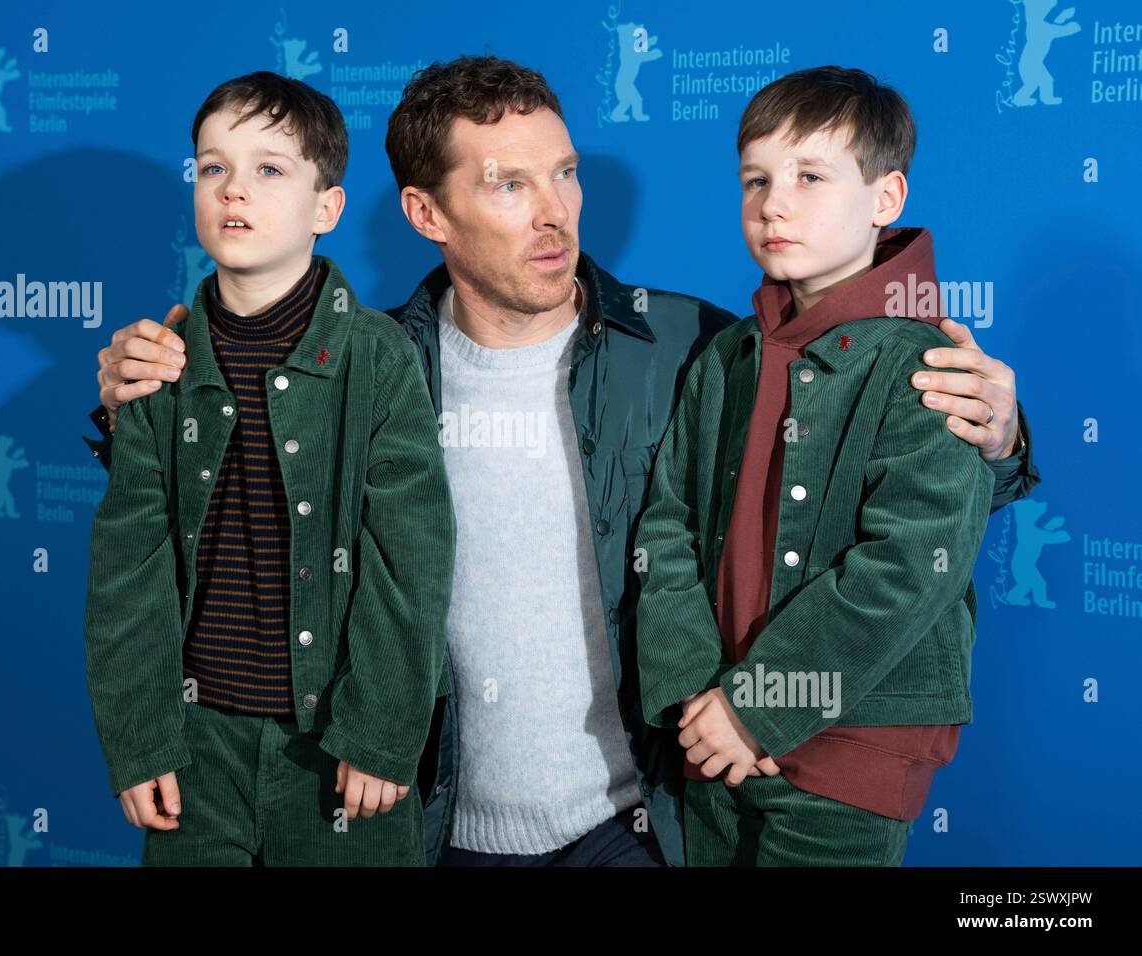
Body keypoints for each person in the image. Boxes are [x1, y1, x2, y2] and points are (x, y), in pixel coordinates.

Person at [83, 57, 1038, 867]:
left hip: (640, 827)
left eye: (566, 174)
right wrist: (131, 402)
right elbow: (228, 509)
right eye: (508, 185)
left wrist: (1001, 438)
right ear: (426, 212)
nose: (555, 214)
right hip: (425, 817)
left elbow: (877, 505)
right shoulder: (361, 365)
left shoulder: (693, 345)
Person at [83, 70, 455, 866]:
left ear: (328, 207)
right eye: (213, 167)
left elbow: (410, 563)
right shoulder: (160, 364)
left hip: (336, 747)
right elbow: (129, 569)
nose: (233, 190)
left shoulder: (380, 360)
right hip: (195, 751)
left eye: (269, 169)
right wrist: (140, 738)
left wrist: (384, 731)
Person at [636, 66, 999, 866]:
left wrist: (761, 706)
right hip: (717, 734)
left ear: (886, 199)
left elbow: (905, 568)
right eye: (755, 179)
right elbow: (667, 528)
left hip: (851, 749)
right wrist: (701, 697)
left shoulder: (933, 366)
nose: (774, 202)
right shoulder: (727, 356)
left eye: (810, 176)